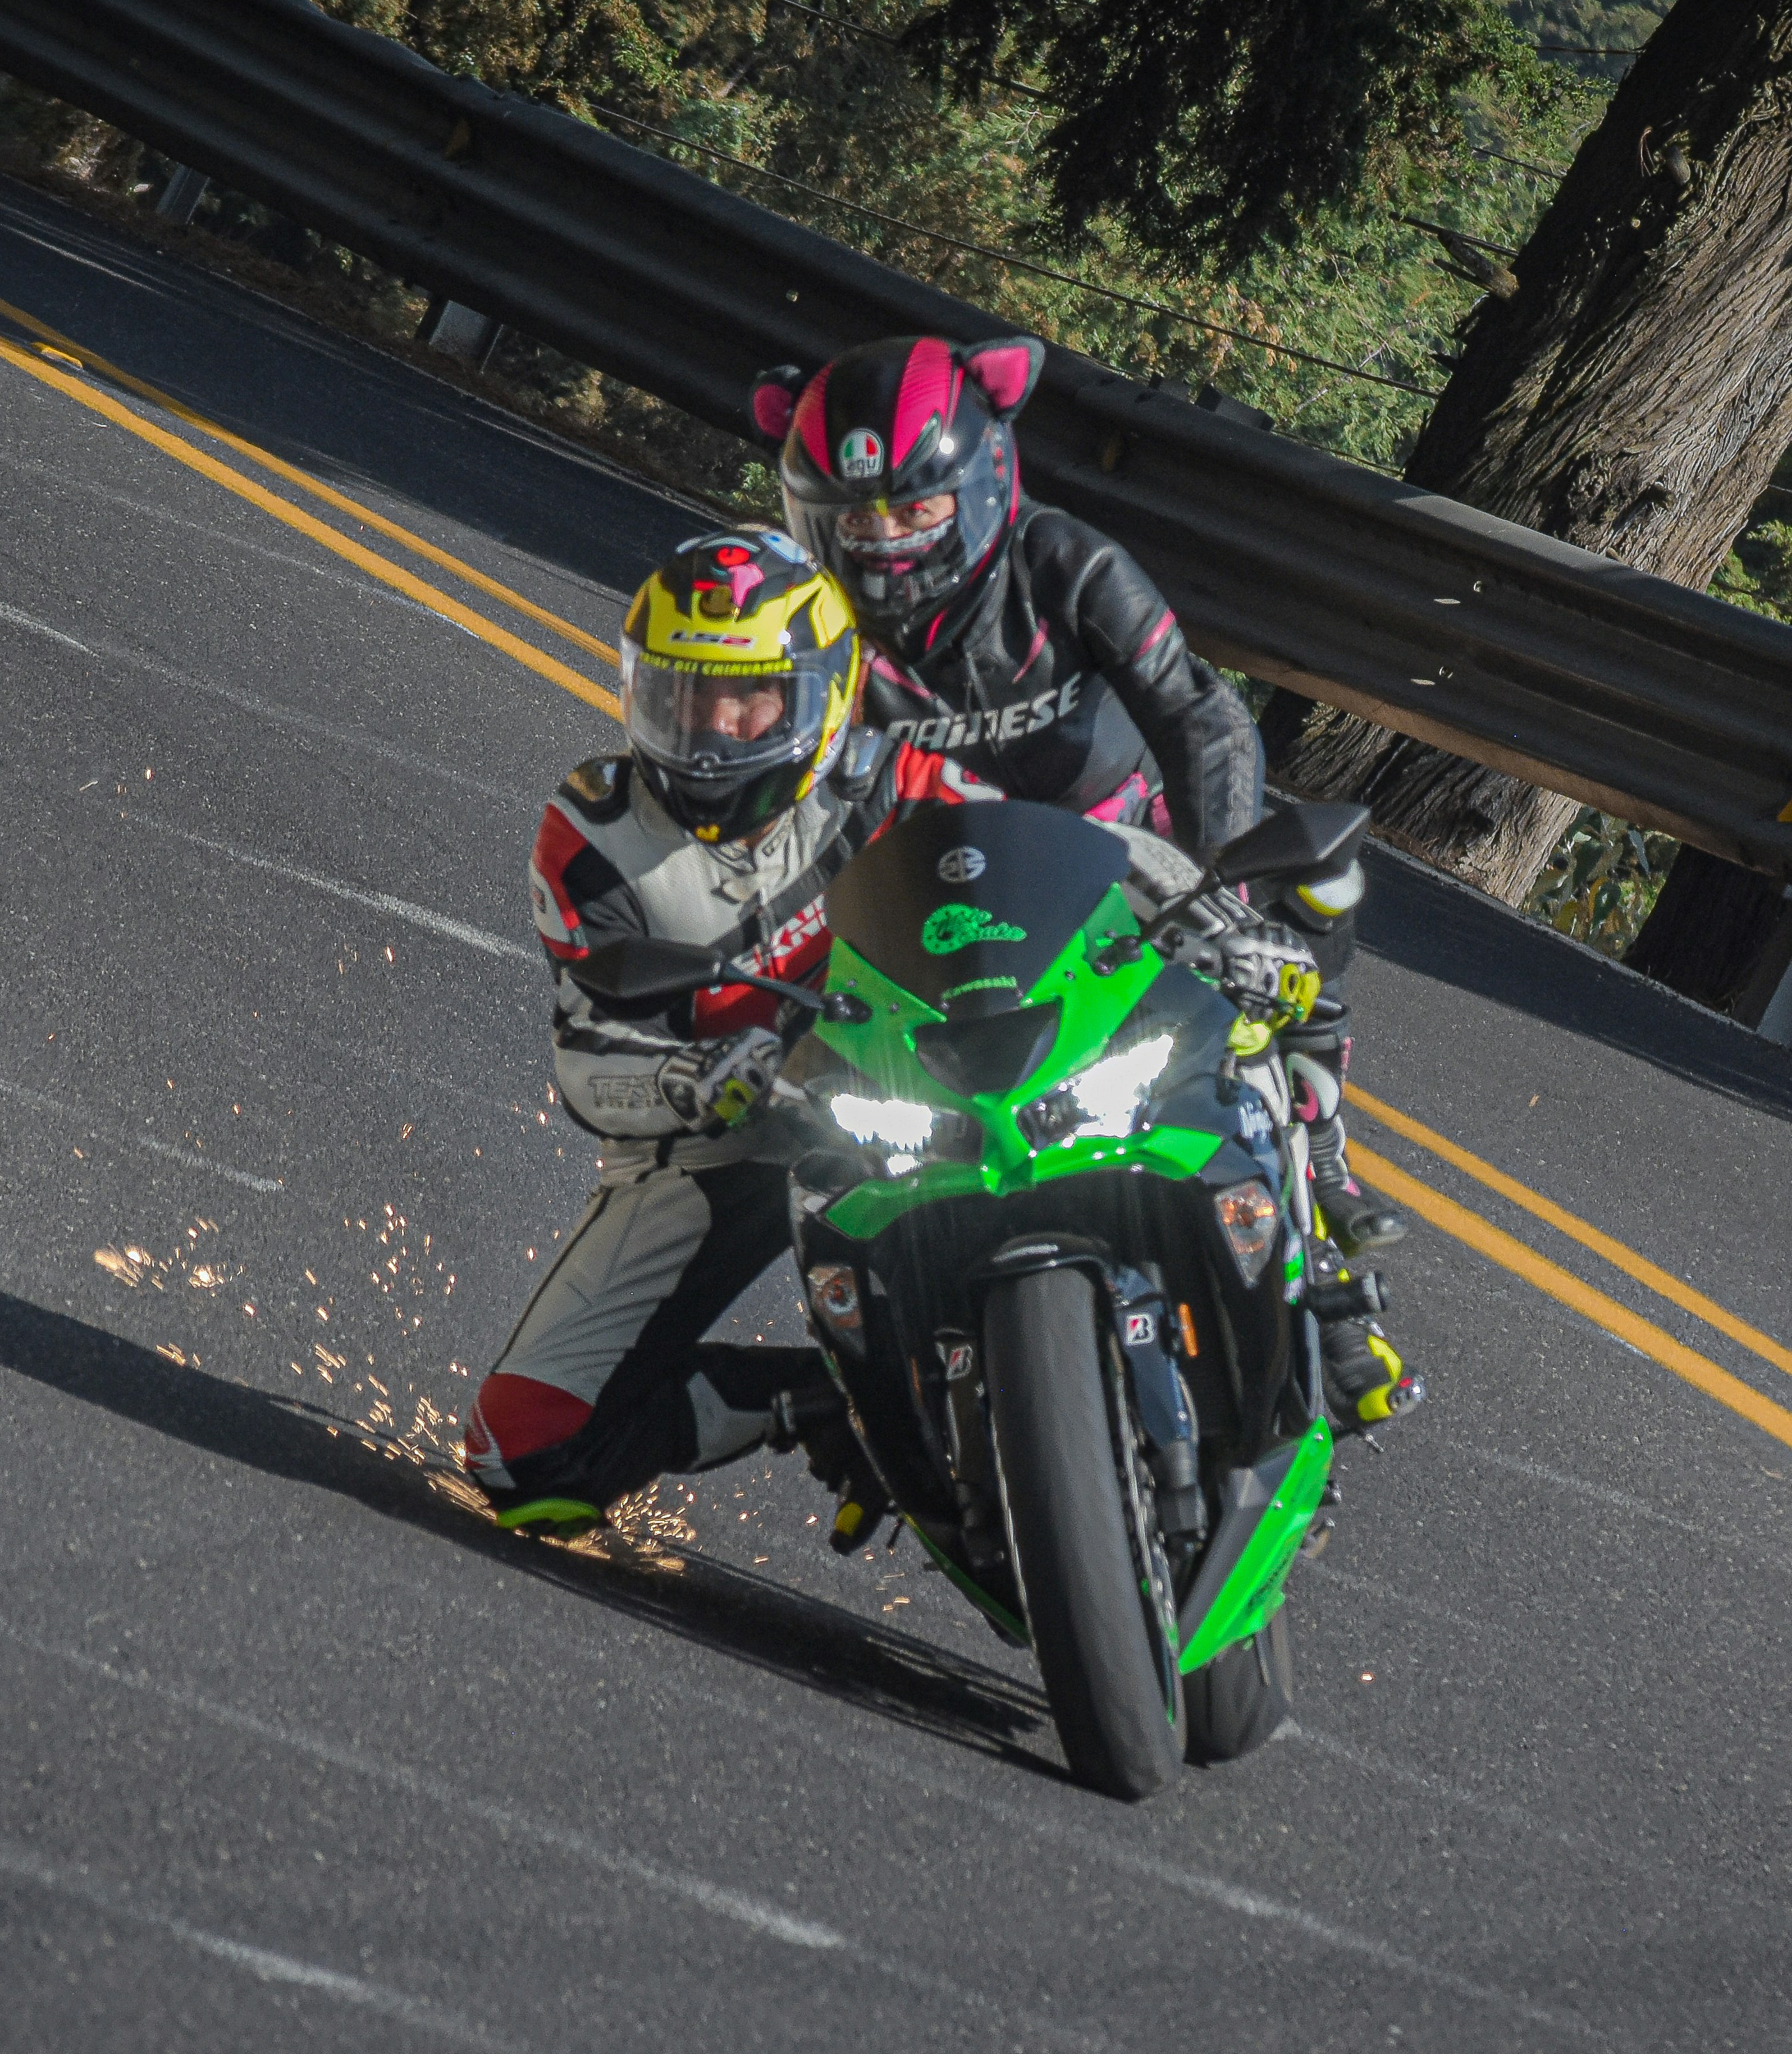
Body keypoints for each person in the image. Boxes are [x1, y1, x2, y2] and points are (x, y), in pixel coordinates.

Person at [751, 334, 1418, 1422]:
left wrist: (1228, 900)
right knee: (817, 1121)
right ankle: (869, 1380)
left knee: (1313, 897)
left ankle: (1320, 1177)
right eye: (856, 521)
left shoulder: (1066, 562)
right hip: (931, 910)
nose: (884, 543)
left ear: (978, 483)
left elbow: (1204, 719)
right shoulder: (814, 629)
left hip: (1123, 867)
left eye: (913, 512)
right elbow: (782, 794)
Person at [462, 530, 995, 1534]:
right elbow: (587, 1050)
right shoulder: (592, 835)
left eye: (748, 698)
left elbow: (1068, 854)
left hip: (945, 1080)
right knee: (523, 1457)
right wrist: (697, 1080)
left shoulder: (904, 768)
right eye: (683, 695)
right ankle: (822, 1402)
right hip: (733, 1126)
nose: (711, 731)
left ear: (824, 691)